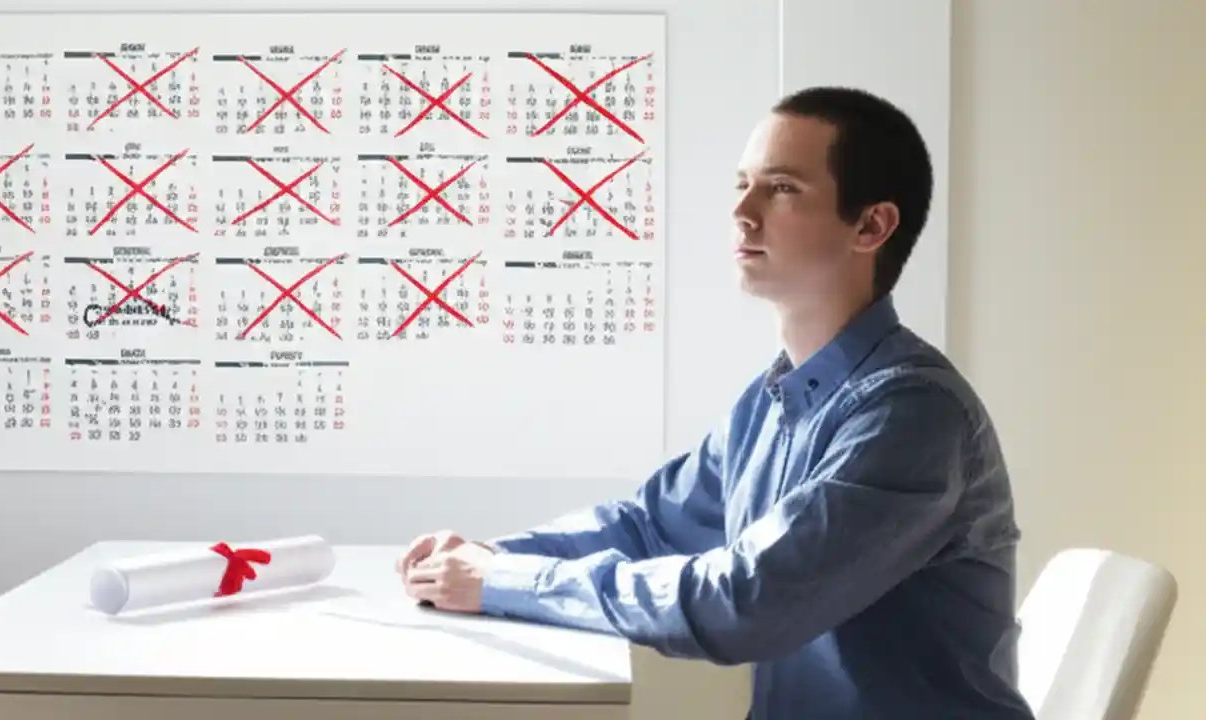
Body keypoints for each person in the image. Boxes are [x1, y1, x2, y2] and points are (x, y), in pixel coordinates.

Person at [395, 86, 1035, 720]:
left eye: (781, 188)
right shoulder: (772, 400)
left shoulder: (913, 414)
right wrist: (494, 557)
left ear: (871, 226)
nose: (743, 212)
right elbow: (650, 525)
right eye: (742, 185)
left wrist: (502, 583)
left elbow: (744, 602)